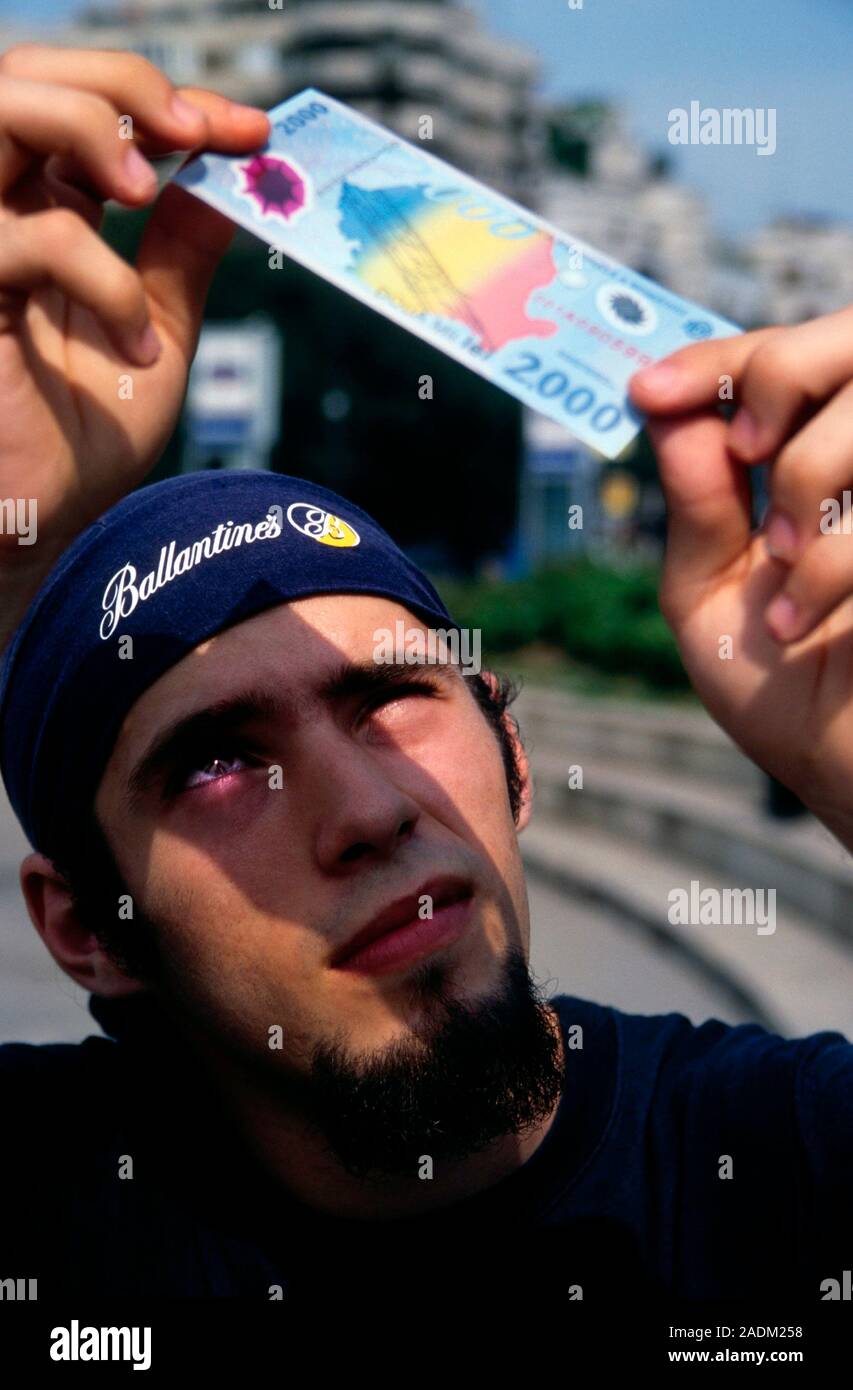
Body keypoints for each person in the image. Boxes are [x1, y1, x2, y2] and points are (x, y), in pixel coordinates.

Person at [0, 44, 850, 1305]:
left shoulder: (778, 1165)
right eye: (219, 760)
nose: (369, 810)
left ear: (510, 756)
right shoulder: (58, 1210)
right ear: (86, 927)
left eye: (392, 695)